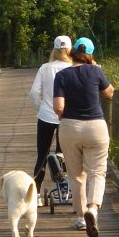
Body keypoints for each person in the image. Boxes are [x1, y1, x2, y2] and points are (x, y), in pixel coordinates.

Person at [52, 37, 114, 237]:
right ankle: (93, 208)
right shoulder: (96, 71)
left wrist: (65, 119)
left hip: (70, 126)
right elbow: (109, 93)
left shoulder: (61, 75)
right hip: (96, 127)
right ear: (90, 54)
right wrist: (95, 67)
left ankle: (80, 216)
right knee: (97, 171)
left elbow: (58, 107)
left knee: (76, 174)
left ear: (71, 53)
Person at [29, 35, 73, 203]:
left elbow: (34, 92)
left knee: (42, 155)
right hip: (67, 117)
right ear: (70, 49)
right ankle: (65, 190)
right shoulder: (73, 68)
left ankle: (37, 196)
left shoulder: (45, 68)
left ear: (54, 49)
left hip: (46, 117)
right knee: (65, 154)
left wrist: (41, 109)